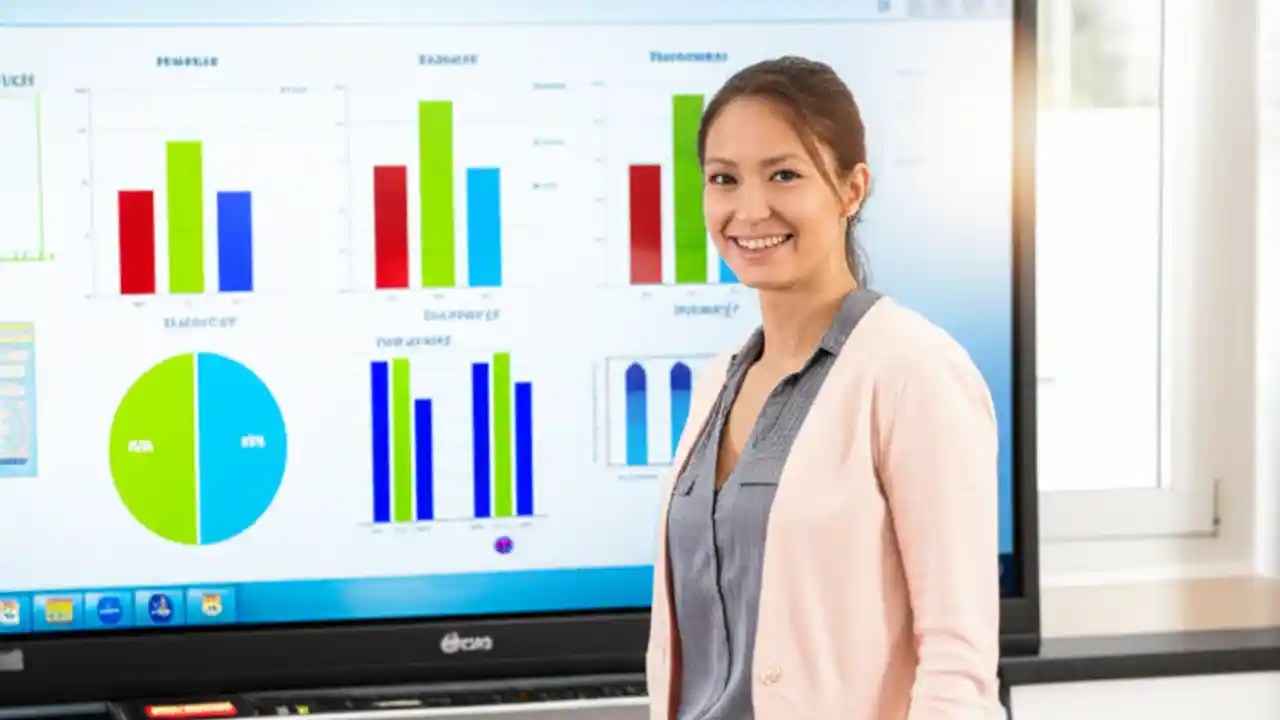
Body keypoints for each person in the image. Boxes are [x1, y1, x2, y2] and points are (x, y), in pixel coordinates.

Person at [645, 56, 1004, 720]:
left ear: (851, 189)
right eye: (724, 179)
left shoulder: (915, 373)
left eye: (784, 174)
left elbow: (957, 663)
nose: (750, 209)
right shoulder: (718, 382)